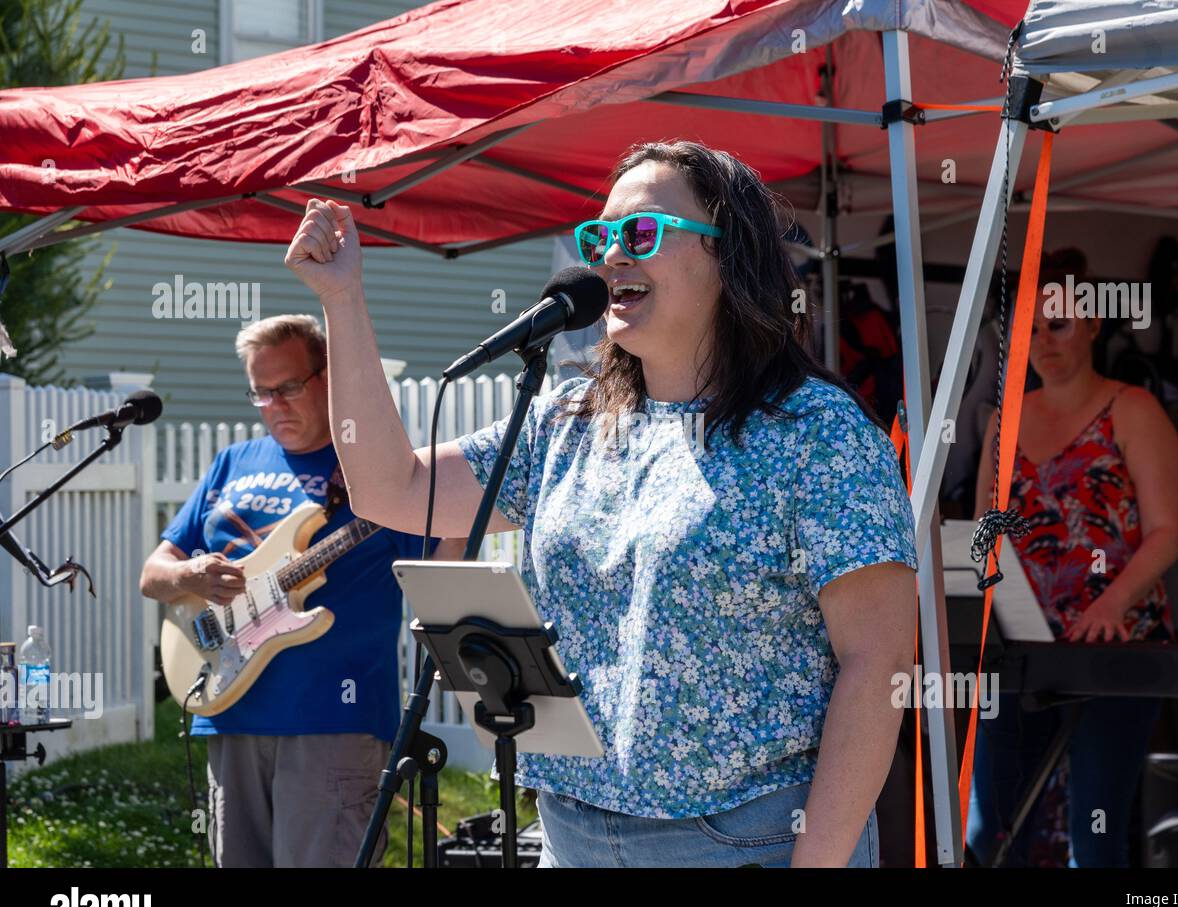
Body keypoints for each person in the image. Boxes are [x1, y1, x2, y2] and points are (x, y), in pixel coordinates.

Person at [284, 140, 919, 868]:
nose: (612, 254)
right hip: (572, 835)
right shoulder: (570, 421)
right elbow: (390, 487)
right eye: (601, 237)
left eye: (642, 233)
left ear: (729, 257)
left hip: (749, 840)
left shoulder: (818, 435)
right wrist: (341, 298)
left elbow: (877, 666)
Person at [139, 314, 465, 867]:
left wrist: (465, 503)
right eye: (260, 393)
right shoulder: (232, 463)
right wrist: (191, 577)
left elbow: (442, 568)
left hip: (333, 720)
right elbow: (154, 574)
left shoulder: (376, 468)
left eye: (287, 387)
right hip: (228, 706)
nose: (274, 405)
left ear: (328, 377)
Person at [965, 249, 1178, 867]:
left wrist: (1112, 603)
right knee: (992, 832)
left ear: (1093, 323)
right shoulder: (1004, 421)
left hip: (1117, 646)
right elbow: (986, 524)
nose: (1044, 343)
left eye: (1058, 325)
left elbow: (1168, 531)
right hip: (1024, 649)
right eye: (1030, 330)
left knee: (1096, 836)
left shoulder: (1133, 409)